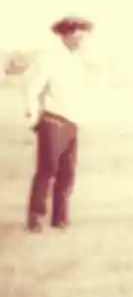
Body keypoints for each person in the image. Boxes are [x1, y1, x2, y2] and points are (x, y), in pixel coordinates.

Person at [24, 15, 94, 232]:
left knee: (67, 174)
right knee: (47, 171)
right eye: (81, 35)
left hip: (72, 122)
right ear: (68, 34)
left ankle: (60, 218)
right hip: (53, 120)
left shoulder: (77, 62)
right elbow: (32, 89)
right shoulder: (48, 59)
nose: (84, 40)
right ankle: (36, 218)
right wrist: (33, 117)